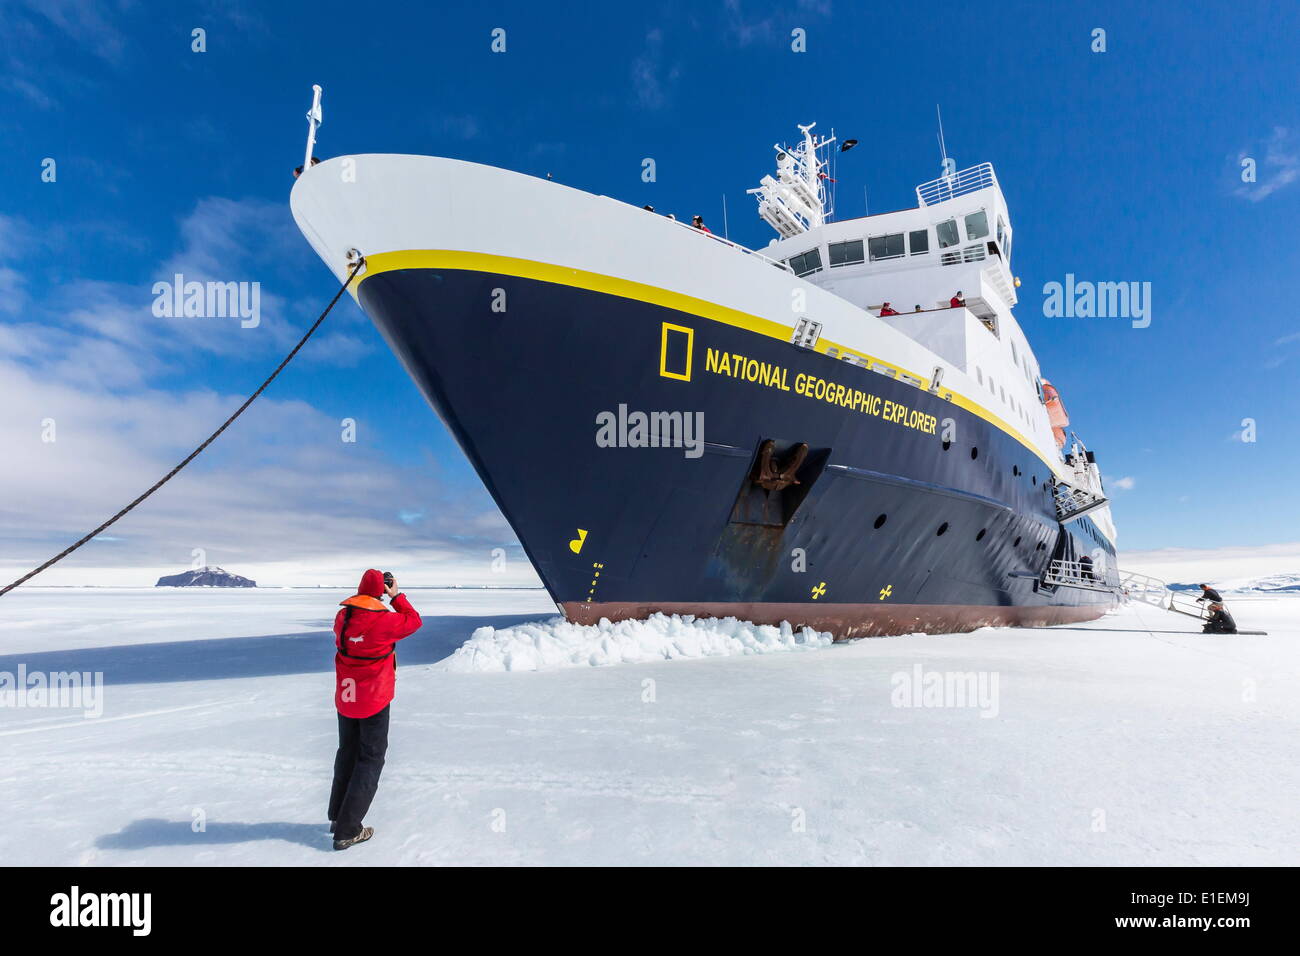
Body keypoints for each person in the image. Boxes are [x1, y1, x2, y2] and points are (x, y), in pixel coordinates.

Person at [328, 569, 422, 850]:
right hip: (373, 700)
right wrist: (397, 597)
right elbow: (414, 622)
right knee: (370, 760)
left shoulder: (343, 617)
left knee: (347, 752)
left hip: (346, 697)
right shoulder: (383, 621)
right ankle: (348, 830)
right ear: (381, 589)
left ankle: (337, 815)